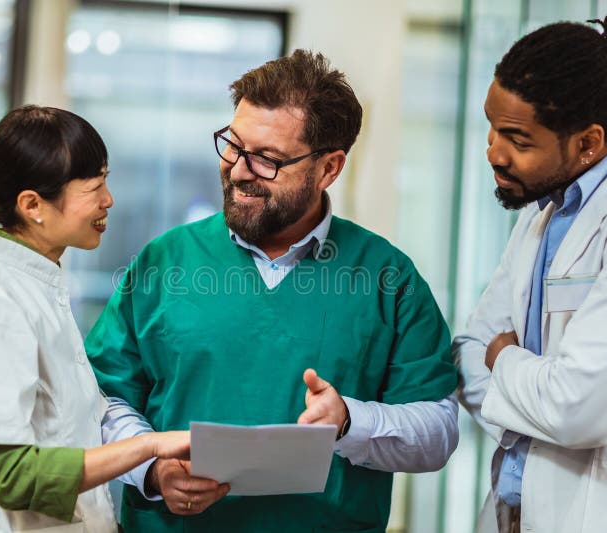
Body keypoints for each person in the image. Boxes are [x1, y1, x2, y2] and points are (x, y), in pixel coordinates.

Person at [86, 49, 459, 532]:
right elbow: (101, 399)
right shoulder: (165, 263)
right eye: (233, 145)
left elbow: (438, 431)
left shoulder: (387, 278)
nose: (239, 169)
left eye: (267, 159)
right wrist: (153, 470)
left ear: (329, 168)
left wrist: (349, 421)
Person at [0, 105, 190, 533]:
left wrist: (158, 467)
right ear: (33, 205)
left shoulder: (39, 288)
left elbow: (83, 425)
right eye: (94, 186)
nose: (109, 200)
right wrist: (149, 444)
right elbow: (13, 477)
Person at [453, 10, 607, 533]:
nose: (493, 153)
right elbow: (469, 354)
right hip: (514, 511)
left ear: (587, 143)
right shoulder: (543, 210)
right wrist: (526, 378)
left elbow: (579, 410)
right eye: (492, 128)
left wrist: (505, 359)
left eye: (517, 140)